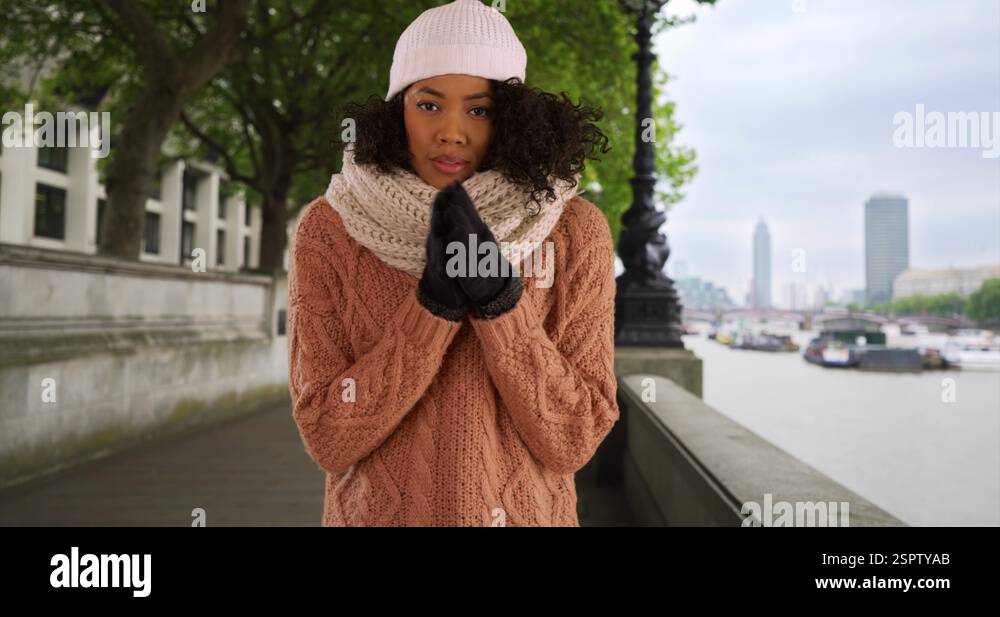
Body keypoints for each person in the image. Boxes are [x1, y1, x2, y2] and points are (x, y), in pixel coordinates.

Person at [287, 0, 618, 526]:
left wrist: (501, 305)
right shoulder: (331, 228)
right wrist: (432, 311)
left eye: (479, 109)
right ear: (397, 111)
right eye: (429, 104)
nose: (452, 132)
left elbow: (576, 437)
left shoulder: (574, 231)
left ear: (513, 119)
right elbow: (327, 436)